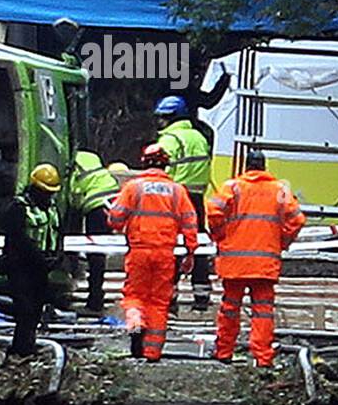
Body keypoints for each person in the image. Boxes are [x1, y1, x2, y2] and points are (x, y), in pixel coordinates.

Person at [207, 149, 305, 367]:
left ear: (246, 167)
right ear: (264, 166)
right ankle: (263, 357)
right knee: (263, 311)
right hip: (265, 262)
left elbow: (214, 211)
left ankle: (224, 352)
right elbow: (297, 219)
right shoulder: (280, 190)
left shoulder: (232, 187)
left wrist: (220, 236)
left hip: (234, 261)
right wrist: (283, 241)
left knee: (230, 308)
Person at [108, 144, 199, 361]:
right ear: (165, 165)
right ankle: (153, 352)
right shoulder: (178, 191)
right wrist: (190, 251)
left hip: (139, 250)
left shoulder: (133, 188)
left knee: (134, 296)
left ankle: (136, 322)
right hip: (165, 253)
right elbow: (190, 222)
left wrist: (117, 223)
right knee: (159, 302)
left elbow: (116, 218)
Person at [154, 95, 213, 313]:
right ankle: (202, 296)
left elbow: (160, 168)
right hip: (197, 197)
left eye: (163, 118)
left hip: (176, 197)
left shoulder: (169, 139)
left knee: (173, 247)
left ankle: (170, 298)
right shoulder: (198, 137)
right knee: (197, 244)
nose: (160, 122)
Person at [0, 163, 64, 356]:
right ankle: (21, 348)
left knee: (36, 309)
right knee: (24, 309)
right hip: (21, 266)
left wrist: (58, 256)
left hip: (42, 267)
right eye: (45, 192)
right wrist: (37, 257)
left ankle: (28, 345)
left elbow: (59, 232)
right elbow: (17, 238)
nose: (48, 196)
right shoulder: (18, 208)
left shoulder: (52, 209)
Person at [66, 149, 122, 312]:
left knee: (95, 255)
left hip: (96, 205)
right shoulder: (88, 156)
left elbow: (74, 195)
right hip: (112, 198)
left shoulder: (69, 165)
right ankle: (96, 297)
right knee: (98, 253)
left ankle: (95, 300)